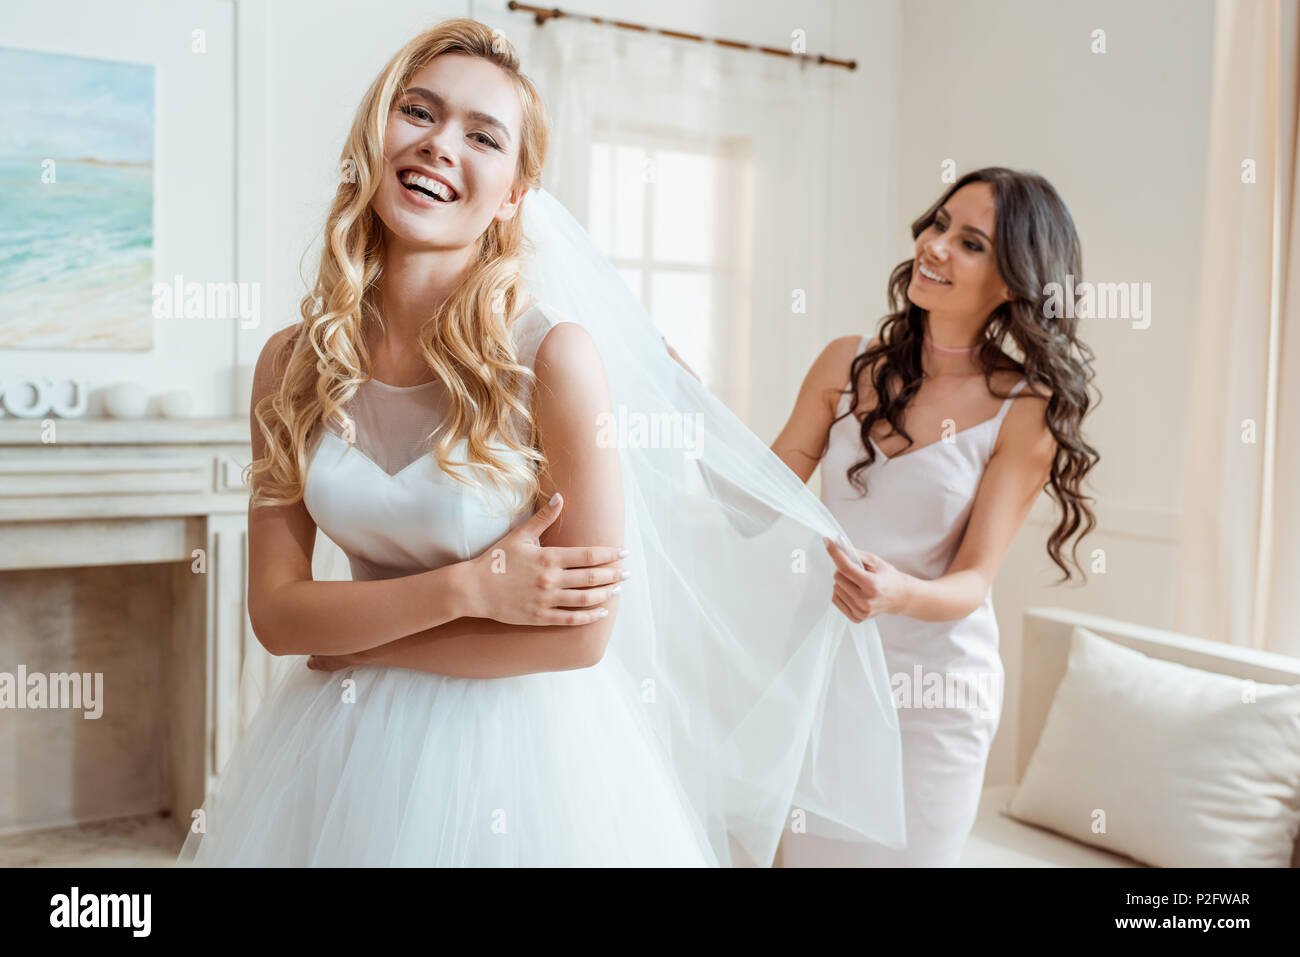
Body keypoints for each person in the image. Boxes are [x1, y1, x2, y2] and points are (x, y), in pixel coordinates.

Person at [178, 17, 906, 867]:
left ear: (515, 194)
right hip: (331, 743)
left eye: (482, 135)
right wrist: (470, 585)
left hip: (516, 757)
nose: (441, 145)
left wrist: (352, 637)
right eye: (418, 111)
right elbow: (276, 612)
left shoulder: (552, 360)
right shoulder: (291, 363)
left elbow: (578, 637)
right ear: (375, 135)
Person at [772, 168, 1100, 866]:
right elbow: (758, 498)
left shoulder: (1026, 406)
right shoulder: (845, 363)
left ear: (1013, 280)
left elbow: (972, 581)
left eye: (970, 241)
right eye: (938, 223)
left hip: (937, 699)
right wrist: (683, 404)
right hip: (831, 677)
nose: (936, 244)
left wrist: (898, 593)